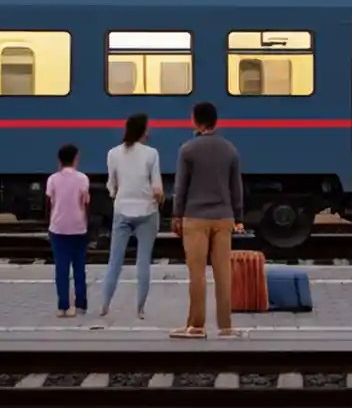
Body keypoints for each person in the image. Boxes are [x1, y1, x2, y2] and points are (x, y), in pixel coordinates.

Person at [170, 101, 245, 339]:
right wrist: (238, 216)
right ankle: (225, 326)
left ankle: (196, 326)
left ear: (195, 120)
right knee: (223, 273)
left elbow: (180, 187)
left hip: (195, 218)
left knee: (197, 274)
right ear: (215, 121)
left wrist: (176, 214)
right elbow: (237, 188)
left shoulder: (188, 149)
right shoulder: (230, 149)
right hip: (224, 218)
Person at [98, 113, 164, 319]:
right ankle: (140, 309)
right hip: (147, 212)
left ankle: (105, 305)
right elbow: (157, 188)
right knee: (143, 262)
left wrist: (117, 196)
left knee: (114, 260)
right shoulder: (152, 154)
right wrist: (160, 200)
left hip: (122, 210)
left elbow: (111, 185)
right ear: (143, 130)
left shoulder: (113, 154)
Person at [46, 143, 90, 317]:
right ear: (75, 158)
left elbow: (49, 204)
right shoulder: (83, 179)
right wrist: (87, 225)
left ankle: (63, 306)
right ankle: (80, 304)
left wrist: (49, 224)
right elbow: (86, 204)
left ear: (59, 160)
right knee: (79, 268)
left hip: (58, 229)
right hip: (79, 228)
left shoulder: (52, 179)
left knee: (61, 269)